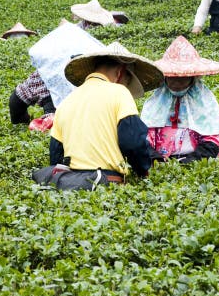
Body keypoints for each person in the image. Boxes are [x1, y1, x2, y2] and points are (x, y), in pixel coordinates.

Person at [33, 42, 164, 190]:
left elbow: (56, 153)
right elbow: (132, 142)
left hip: (70, 182)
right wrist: (144, 170)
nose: (126, 85)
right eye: (128, 81)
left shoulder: (66, 101)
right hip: (105, 182)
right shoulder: (119, 92)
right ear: (121, 73)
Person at [141, 36, 219, 163]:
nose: (177, 81)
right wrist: (157, 160)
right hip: (160, 162)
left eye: (183, 76)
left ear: (193, 77)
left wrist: (189, 162)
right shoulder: (155, 103)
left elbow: (213, 141)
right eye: (173, 76)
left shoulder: (205, 101)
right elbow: (144, 139)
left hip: (195, 162)